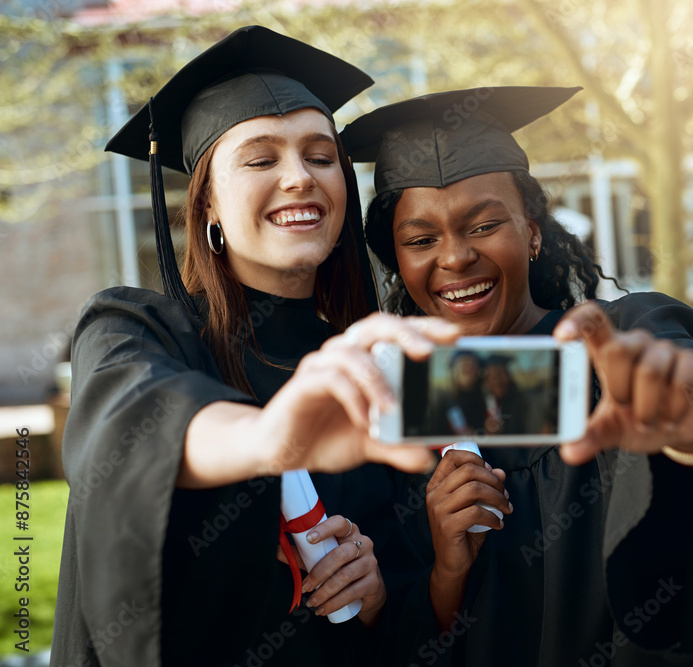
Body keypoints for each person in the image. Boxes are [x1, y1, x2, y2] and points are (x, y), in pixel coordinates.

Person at [52, 26, 453, 667]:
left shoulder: (369, 366)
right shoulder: (136, 329)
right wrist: (271, 440)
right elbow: (132, 423)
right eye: (261, 160)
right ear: (206, 203)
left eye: (321, 157)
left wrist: (377, 593)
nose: (299, 178)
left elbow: (425, 598)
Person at [342, 86, 693, 666]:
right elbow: (408, 644)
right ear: (398, 259)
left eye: (482, 225)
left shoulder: (620, 335)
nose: (453, 258)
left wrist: (688, 410)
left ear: (532, 231)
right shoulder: (397, 411)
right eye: (421, 240)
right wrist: (449, 570)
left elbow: (685, 382)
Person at [428, 350, 487, 436]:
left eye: (472, 366)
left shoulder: (487, 400)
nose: (468, 367)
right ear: (454, 370)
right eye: (464, 365)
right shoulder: (440, 401)